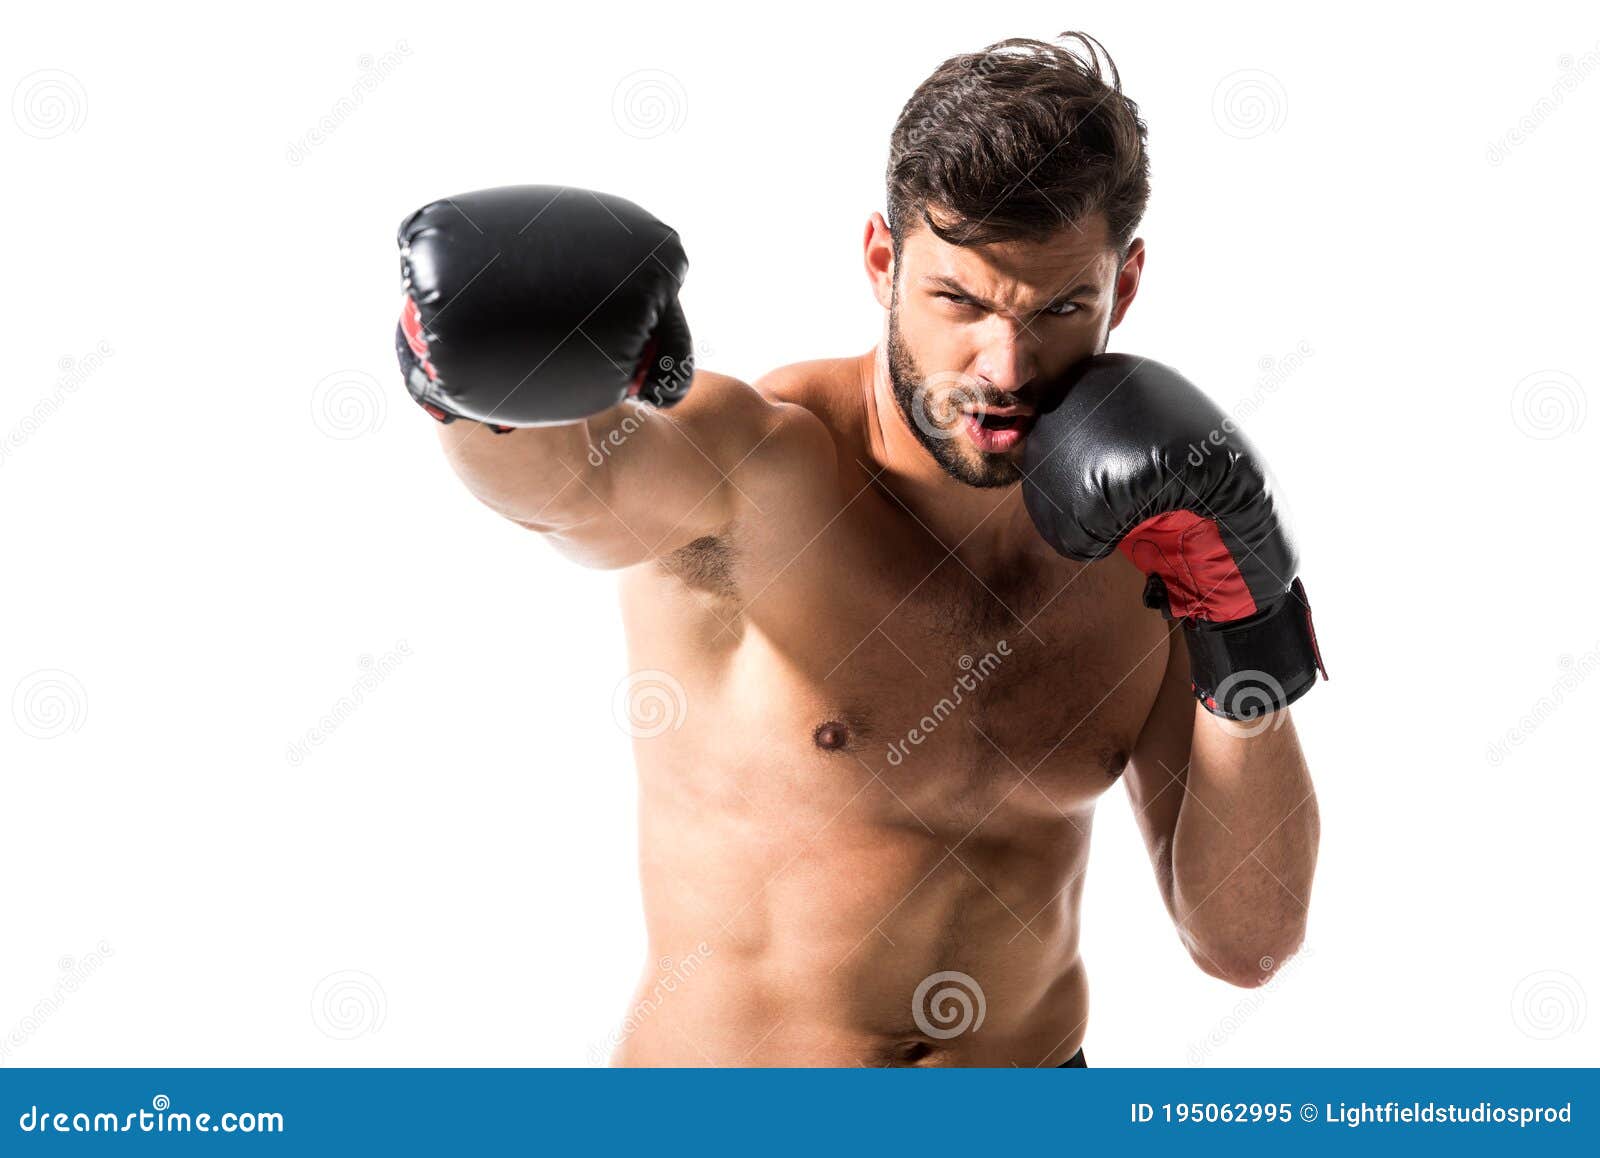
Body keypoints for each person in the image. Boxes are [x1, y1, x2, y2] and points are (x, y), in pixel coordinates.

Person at [392, 31, 1325, 1067]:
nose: (1003, 366)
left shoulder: (1154, 538)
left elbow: (1245, 941)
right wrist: (463, 381)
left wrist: (1245, 627)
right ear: (881, 261)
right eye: (957, 301)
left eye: (1061, 308)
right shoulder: (761, 467)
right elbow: (568, 489)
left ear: (1126, 282)